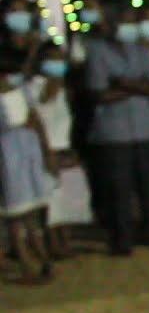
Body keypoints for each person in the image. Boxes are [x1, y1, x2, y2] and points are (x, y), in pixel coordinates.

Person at [84, 6, 149, 256]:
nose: (129, 27)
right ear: (111, 24)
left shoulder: (141, 51)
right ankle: (121, 239)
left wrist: (124, 84)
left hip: (147, 128)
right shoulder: (97, 52)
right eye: (124, 21)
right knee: (118, 190)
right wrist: (139, 87)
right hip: (113, 132)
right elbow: (99, 94)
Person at [29, 44, 91, 257]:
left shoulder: (65, 88)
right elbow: (39, 114)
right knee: (50, 199)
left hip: (64, 145)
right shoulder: (34, 86)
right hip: (45, 148)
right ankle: (52, 243)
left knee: (70, 196)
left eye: (60, 59)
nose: (57, 63)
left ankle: (66, 240)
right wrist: (47, 152)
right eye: (52, 59)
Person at [0, 55, 55, 283]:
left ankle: (42, 258)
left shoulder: (21, 88)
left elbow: (35, 117)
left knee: (31, 212)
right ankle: (26, 264)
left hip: (27, 151)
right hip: (7, 154)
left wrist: (46, 149)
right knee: (16, 213)